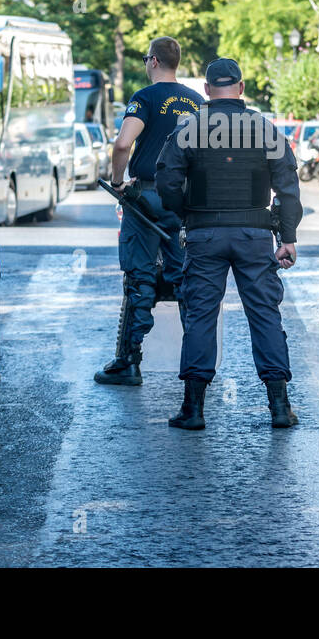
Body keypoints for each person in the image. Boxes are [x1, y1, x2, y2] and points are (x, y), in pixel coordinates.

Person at [156, 58, 304, 430]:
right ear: (241, 88)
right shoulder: (266, 130)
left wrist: (183, 216)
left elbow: (166, 182)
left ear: (206, 90)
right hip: (255, 236)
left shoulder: (189, 128)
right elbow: (288, 186)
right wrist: (287, 237)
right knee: (265, 316)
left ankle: (193, 409)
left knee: (201, 316)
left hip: (204, 235)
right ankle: (280, 407)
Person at [93, 37, 203, 386]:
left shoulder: (144, 98)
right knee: (184, 278)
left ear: (153, 61)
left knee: (140, 278)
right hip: (183, 200)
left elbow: (123, 143)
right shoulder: (198, 102)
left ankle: (129, 361)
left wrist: (118, 183)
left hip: (147, 196)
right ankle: (197, 362)